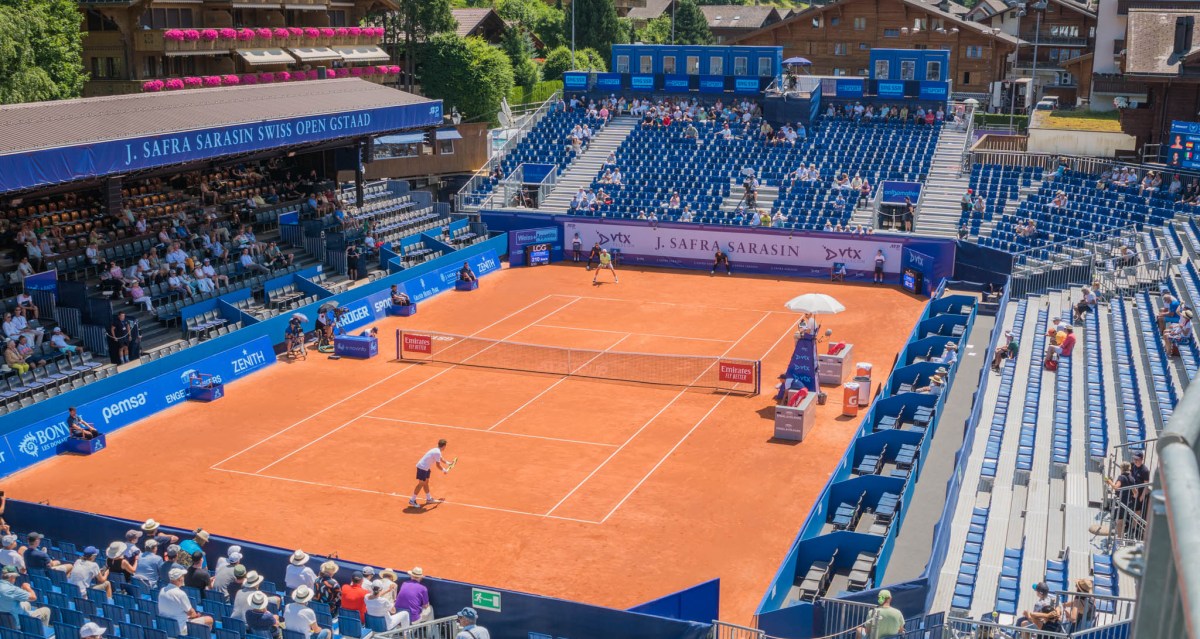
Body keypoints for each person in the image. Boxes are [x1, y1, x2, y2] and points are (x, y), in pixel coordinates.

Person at [159, 567, 214, 636]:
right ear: (180, 579)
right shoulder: (180, 594)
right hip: (181, 629)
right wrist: (197, 615)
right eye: (183, 576)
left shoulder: (162, 590)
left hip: (166, 626)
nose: (184, 578)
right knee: (209, 619)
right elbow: (192, 614)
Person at [409, 440, 450, 508]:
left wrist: (447, 463)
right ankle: (412, 500)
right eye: (445, 446)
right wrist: (444, 470)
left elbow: (440, 458)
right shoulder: (437, 452)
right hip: (422, 468)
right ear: (444, 446)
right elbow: (438, 465)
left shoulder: (436, 450)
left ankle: (429, 499)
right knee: (421, 484)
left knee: (426, 483)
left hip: (426, 468)